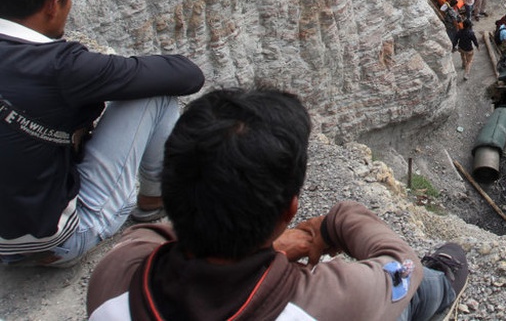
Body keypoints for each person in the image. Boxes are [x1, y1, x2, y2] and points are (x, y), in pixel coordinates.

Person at [86, 88, 468, 320]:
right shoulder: (329, 302)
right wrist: (333, 221)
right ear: (290, 209)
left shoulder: (117, 272)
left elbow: (149, 235)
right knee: (411, 295)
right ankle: (442, 291)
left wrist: (272, 247)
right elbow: (401, 265)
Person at [0, 0, 205, 267]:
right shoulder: (61, 66)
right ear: (53, 5)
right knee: (155, 93)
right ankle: (154, 199)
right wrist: (111, 68)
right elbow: (187, 75)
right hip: (55, 243)